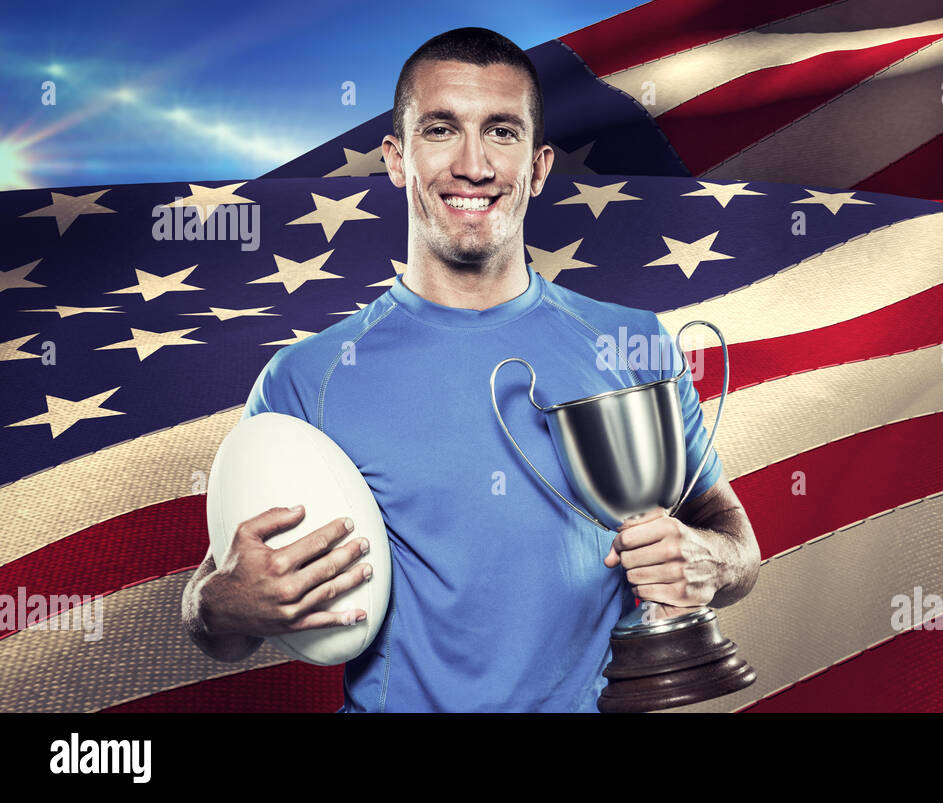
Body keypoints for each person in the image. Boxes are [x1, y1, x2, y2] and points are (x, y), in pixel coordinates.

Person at [180, 27, 759, 712]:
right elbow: (219, 614)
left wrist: (710, 559)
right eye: (441, 130)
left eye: (502, 132)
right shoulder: (305, 378)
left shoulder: (633, 343)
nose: (474, 165)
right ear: (397, 159)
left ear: (538, 167)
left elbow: (732, 540)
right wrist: (220, 605)